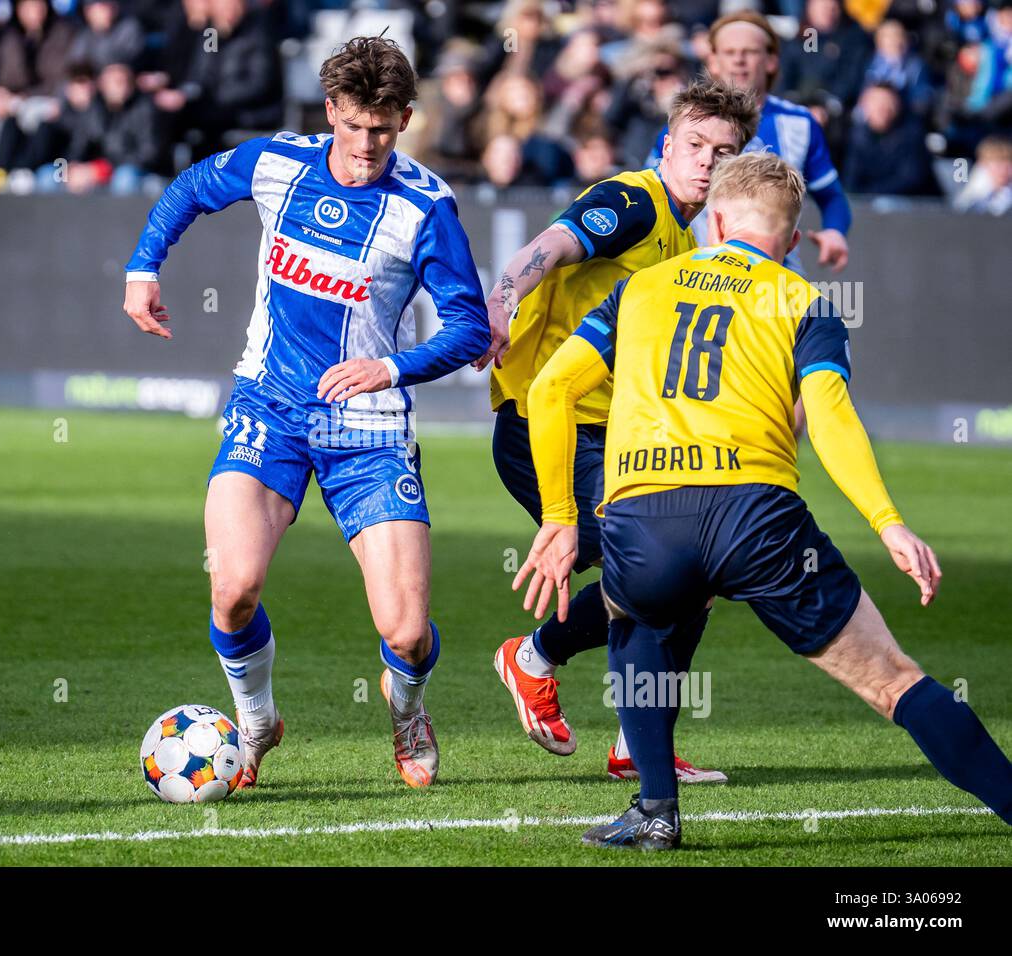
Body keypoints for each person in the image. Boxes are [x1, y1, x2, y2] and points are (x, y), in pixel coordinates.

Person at [516, 151, 1012, 848]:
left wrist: (562, 518)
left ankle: (656, 808)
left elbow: (550, 390)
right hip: (757, 515)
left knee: (632, 614)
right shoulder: (805, 300)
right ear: (791, 238)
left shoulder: (642, 290)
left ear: (715, 220)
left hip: (645, 510)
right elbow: (833, 418)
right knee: (895, 681)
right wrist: (888, 522)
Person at [120, 37, 492, 789]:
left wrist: (387, 367)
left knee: (408, 631)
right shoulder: (277, 161)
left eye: (383, 130)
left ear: (406, 121)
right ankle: (256, 719)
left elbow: (470, 327)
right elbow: (192, 184)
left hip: (371, 431)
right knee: (232, 589)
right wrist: (143, 265)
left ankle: (407, 707)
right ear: (331, 113)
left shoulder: (423, 207)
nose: (365, 147)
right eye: (353, 127)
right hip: (270, 407)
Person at [482, 81, 758, 782]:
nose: (706, 161)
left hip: (616, 436)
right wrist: (505, 296)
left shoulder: (691, 239)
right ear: (667, 145)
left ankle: (637, 744)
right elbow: (548, 244)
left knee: (691, 573)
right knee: (666, 567)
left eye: (723, 152)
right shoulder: (633, 203)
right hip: (548, 424)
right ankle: (535, 658)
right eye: (694, 145)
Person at [648, 11, 853, 274]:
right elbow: (653, 193)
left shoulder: (799, 123)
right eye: (729, 52)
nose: (739, 60)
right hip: (695, 275)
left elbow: (831, 195)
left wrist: (835, 232)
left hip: (774, 280)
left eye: (750, 52)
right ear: (712, 60)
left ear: (771, 61)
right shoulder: (683, 125)